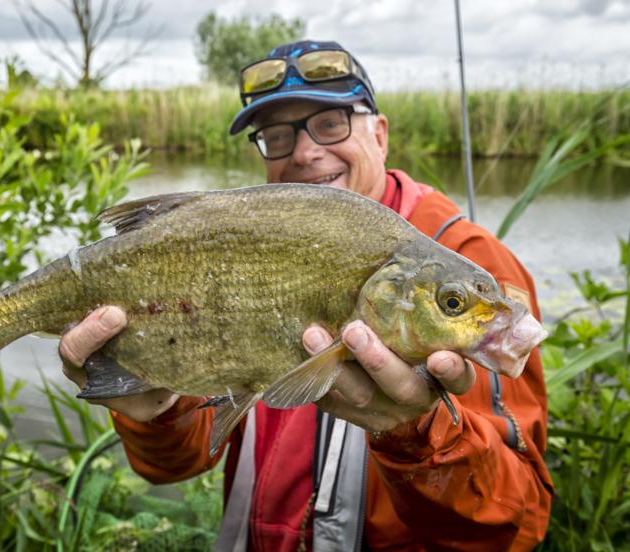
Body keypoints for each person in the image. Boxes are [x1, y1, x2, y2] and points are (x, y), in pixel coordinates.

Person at [58, 40, 553, 550]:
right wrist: (154, 404)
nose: (304, 152)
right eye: (276, 136)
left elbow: (518, 525)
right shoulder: (242, 248)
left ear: (379, 136)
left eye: (331, 124)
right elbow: (178, 462)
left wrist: (415, 433)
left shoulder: (467, 270)